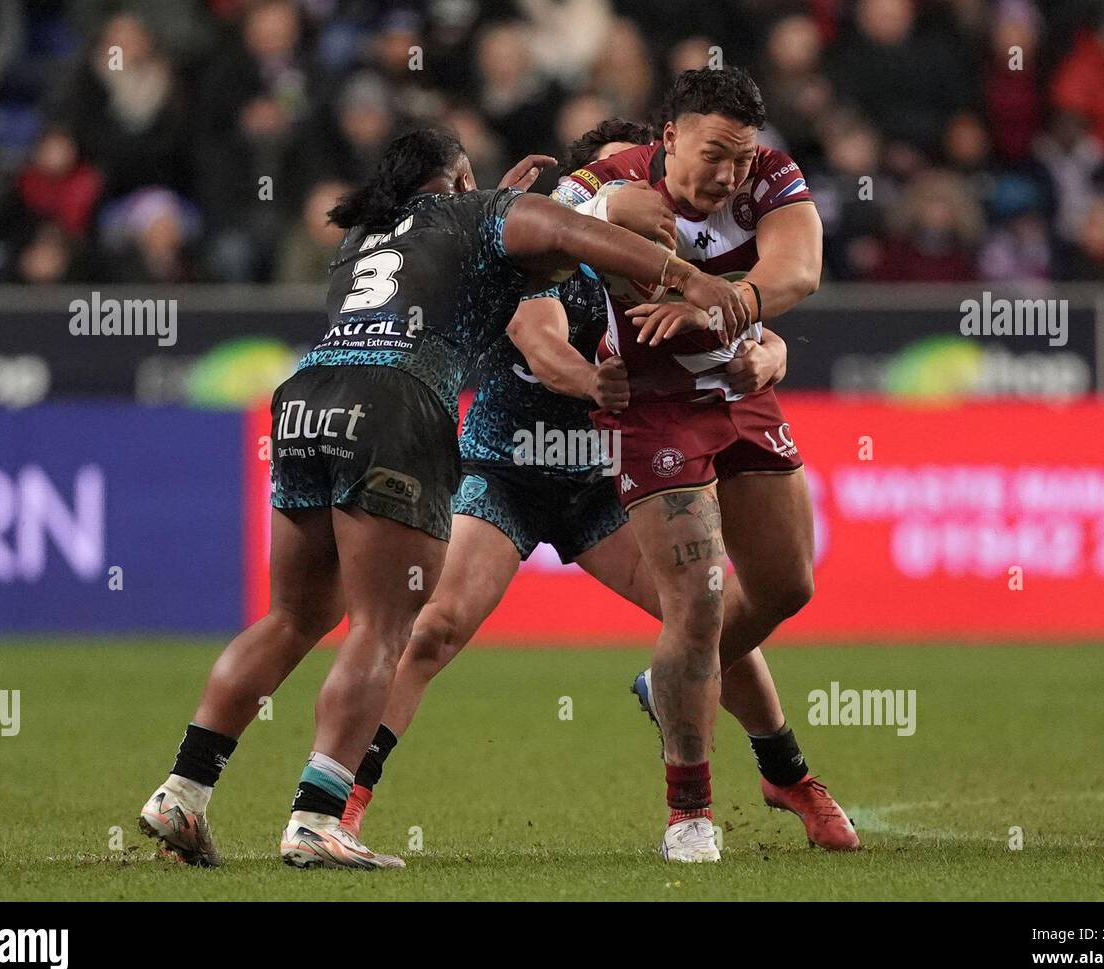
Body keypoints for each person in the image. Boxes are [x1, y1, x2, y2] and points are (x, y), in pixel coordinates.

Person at [137, 126, 747, 871]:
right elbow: (573, 234)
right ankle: (317, 819)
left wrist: (506, 199)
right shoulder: (482, 214)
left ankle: (182, 793)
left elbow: (483, 257)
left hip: (305, 398)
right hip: (394, 406)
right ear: (459, 180)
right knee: (382, 627)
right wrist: (690, 280)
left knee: (293, 616)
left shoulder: (364, 236)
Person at [340, 121, 851, 863]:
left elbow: (749, 339)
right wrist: (592, 382)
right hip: (507, 471)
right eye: (616, 183)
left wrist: (766, 356)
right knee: (436, 628)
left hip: (605, 484)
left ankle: (789, 776)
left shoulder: (666, 266)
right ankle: (348, 799)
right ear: (590, 194)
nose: (642, 201)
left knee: (697, 615)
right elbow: (541, 343)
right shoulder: (539, 259)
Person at [554, 66, 858, 861]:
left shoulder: (768, 175)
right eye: (712, 155)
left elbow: (800, 268)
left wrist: (732, 311)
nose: (727, 175)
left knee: (790, 585)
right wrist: (601, 207)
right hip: (650, 409)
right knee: (694, 604)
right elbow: (531, 224)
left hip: (739, 389)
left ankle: (671, 686)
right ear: (669, 139)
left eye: (740, 157)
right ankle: (689, 815)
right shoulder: (612, 181)